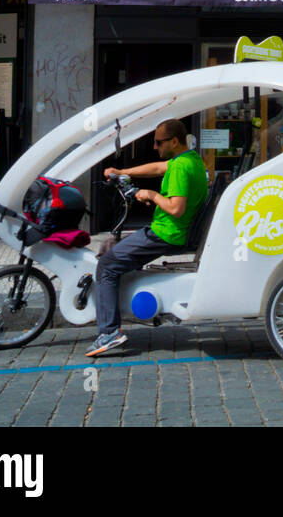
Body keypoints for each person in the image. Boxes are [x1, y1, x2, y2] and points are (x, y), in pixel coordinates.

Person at [85, 119, 209, 357]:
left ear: (174, 141)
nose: (154, 146)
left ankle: (109, 332)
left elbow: (176, 208)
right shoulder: (188, 159)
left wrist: (151, 194)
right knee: (116, 253)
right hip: (166, 229)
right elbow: (158, 168)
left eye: (158, 142)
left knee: (107, 265)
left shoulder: (181, 168)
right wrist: (122, 172)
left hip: (165, 233)